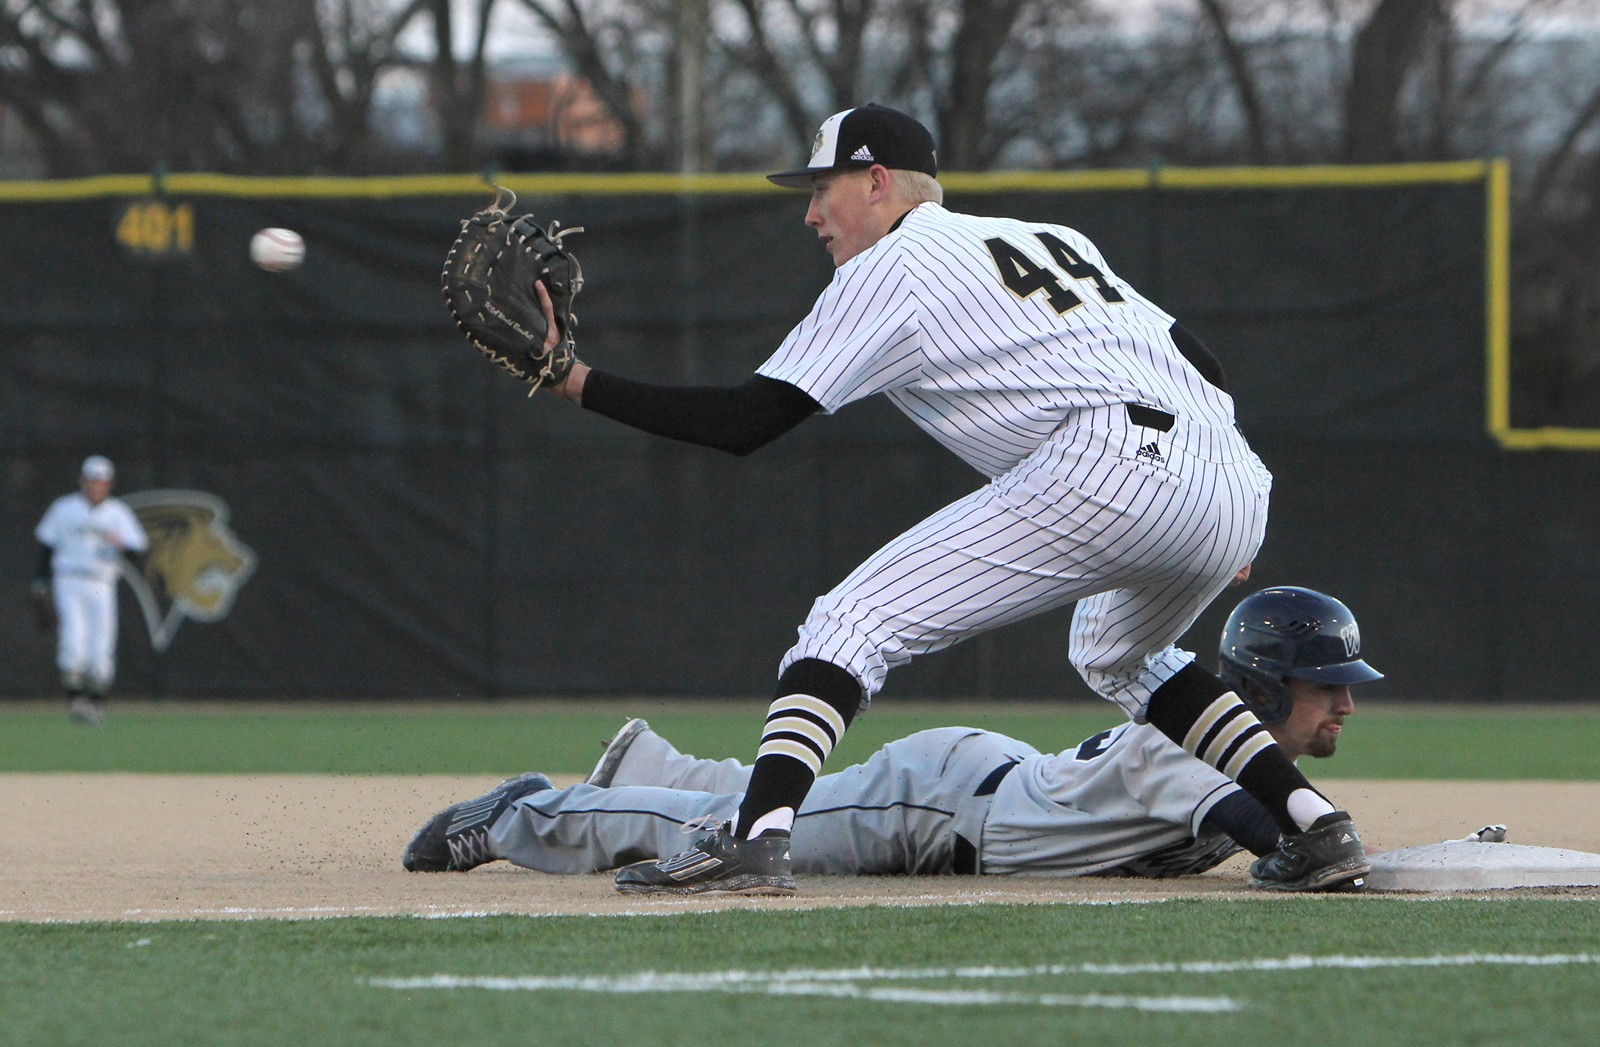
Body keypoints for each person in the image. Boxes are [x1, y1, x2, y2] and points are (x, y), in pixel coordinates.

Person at [525, 102, 1367, 894]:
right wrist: (1210, 501)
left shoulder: (894, 262)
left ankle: (755, 835)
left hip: (1112, 460)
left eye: (822, 190)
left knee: (849, 624)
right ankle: (1315, 825)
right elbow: (1197, 354)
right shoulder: (1045, 235)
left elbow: (749, 421)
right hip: (1229, 476)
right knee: (1116, 651)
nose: (811, 215)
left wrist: (576, 380)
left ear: (878, 182)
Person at [403, 587, 1382, 888]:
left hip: (977, 788)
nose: (1343, 705)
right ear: (1261, 682)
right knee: (733, 828)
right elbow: (1275, 836)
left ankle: (641, 769)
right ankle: (522, 813)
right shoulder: (1199, 743)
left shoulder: (1236, 743)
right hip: (945, 807)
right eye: (1325, 685)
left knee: (758, 800)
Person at [33, 455, 148, 726]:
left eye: (101, 481)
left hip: (101, 583)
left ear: (109, 484)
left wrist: (123, 546)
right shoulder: (64, 508)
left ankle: (95, 704)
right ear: (82, 481)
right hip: (69, 579)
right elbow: (46, 546)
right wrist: (40, 581)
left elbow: (139, 550)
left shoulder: (118, 513)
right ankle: (76, 702)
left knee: (101, 646)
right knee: (73, 642)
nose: (96, 486)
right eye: (91, 480)